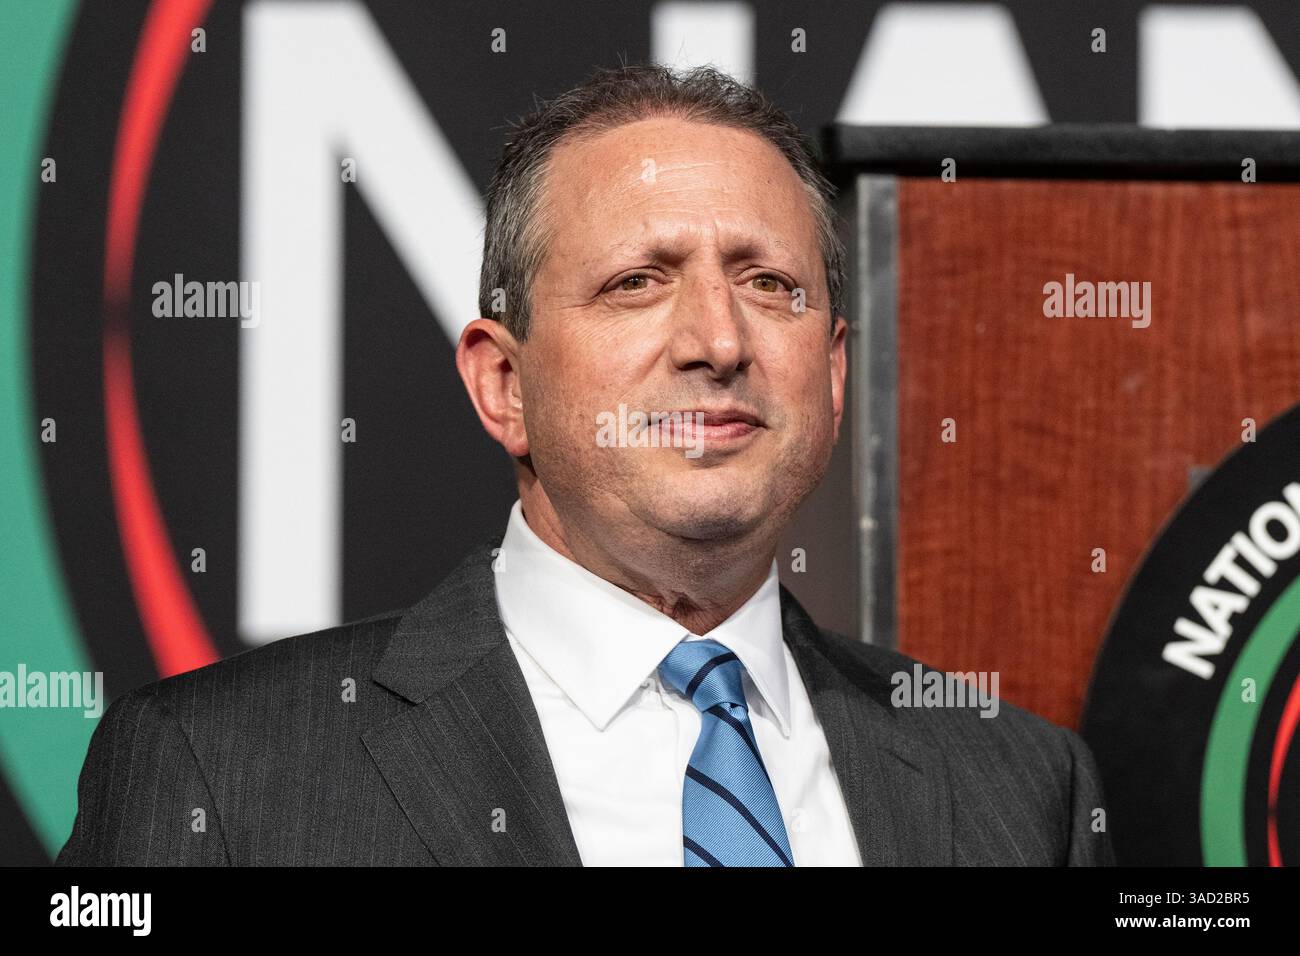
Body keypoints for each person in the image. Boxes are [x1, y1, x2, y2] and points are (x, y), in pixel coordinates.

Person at [57, 63, 1113, 867]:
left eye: (769, 282)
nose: (718, 340)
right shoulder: (223, 769)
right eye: (636, 282)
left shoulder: (1020, 788)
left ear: (833, 376)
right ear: (503, 383)